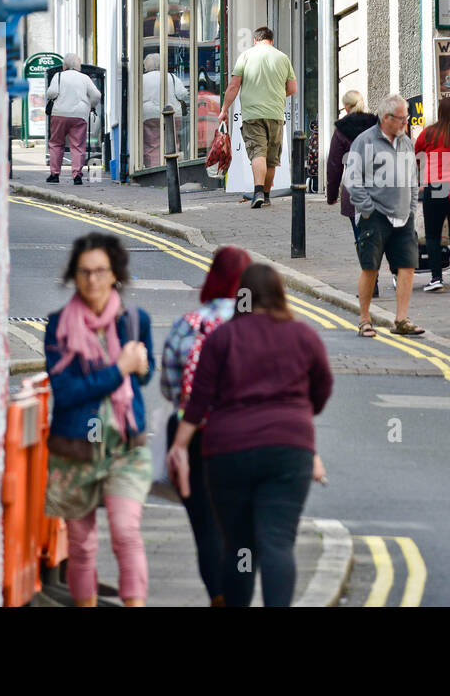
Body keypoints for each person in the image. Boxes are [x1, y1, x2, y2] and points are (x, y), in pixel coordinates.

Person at [167, 264, 332, 607]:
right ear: (279, 294)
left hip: (229, 452)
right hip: (289, 450)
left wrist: (180, 445)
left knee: (239, 545)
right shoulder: (303, 336)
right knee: (277, 542)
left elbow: (198, 402)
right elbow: (322, 387)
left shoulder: (222, 338)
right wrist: (299, 415)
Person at [44, 233, 153, 607]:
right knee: (82, 545)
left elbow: (143, 378)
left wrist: (140, 366)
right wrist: (119, 368)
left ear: (115, 275)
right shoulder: (59, 326)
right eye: (84, 272)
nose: (92, 280)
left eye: (100, 271)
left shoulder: (136, 321)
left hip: (125, 447)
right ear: (75, 276)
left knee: (126, 532)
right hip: (74, 450)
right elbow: (68, 392)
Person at [160, 245, 254, 607]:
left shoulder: (188, 325)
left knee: (206, 527)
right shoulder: (259, 327)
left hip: (194, 434)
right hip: (245, 438)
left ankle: (218, 598)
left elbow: (170, 387)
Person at [343, 94, 425, 337]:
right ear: (386, 118)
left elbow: (412, 179)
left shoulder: (406, 142)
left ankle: (401, 319)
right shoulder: (364, 141)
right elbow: (352, 179)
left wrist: (411, 209)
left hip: (403, 215)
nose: (405, 123)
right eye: (401, 119)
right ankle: (365, 319)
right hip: (375, 214)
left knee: (407, 267)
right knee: (371, 268)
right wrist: (367, 208)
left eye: (406, 118)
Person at [218, 26, 296, 208]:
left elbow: (233, 86)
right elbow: (292, 89)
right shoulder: (282, 58)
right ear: (272, 41)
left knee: (257, 153)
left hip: (252, 114)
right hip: (276, 114)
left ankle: (258, 191)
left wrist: (224, 110)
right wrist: (275, 96)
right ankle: (267, 196)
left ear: (255, 40)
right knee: (271, 159)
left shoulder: (246, 56)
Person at [326, 90, 382, 298]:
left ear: (346, 107)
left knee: (361, 236)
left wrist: (332, 195)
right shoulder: (377, 126)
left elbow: (334, 165)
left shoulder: (341, 130)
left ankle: (371, 282)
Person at [414, 96, 450, 294]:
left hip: (434, 186)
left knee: (432, 234)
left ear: (439, 113)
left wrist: (422, 174)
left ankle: (436, 277)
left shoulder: (429, 133)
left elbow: (416, 156)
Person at [45, 53, 100, 186]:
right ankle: (77, 176)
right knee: (78, 145)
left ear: (65, 65)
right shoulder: (84, 78)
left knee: (56, 143)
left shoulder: (58, 76)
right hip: (79, 115)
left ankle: (54, 174)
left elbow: (51, 93)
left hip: (60, 113)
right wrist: (90, 105)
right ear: (78, 66)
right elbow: (96, 95)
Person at [141, 52, 189, 168]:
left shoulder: (142, 79)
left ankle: (153, 168)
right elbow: (182, 94)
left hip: (149, 115)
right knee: (171, 143)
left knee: (152, 144)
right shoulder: (172, 77)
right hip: (172, 114)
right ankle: (172, 168)